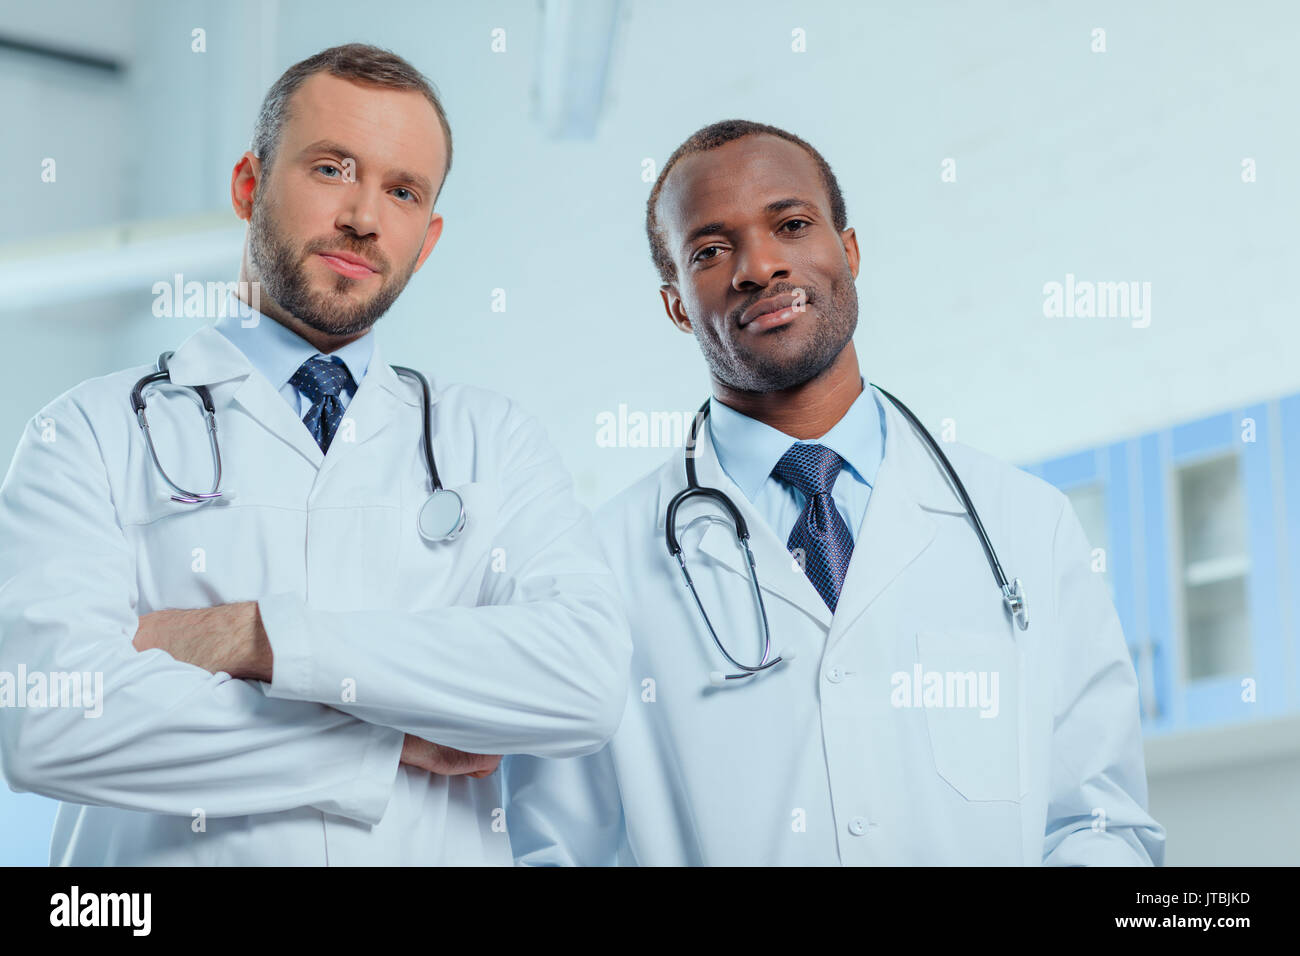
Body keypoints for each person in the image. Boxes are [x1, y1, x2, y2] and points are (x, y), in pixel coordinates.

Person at [0, 44, 630, 866]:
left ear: (428, 237)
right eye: (333, 169)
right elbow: (50, 723)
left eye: (402, 191)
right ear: (248, 184)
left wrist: (250, 639)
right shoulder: (88, 430)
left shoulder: (492, 441)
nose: (365, 218)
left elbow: (581, 683)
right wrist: (381, 744)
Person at [502, 119, 1165, 866]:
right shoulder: (600, 566)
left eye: (791, 224)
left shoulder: (1025, 524)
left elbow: (1098, 825)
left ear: (847, 251)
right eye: (711, 251)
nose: (759, 265)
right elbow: (552, 850)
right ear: (678, 305)